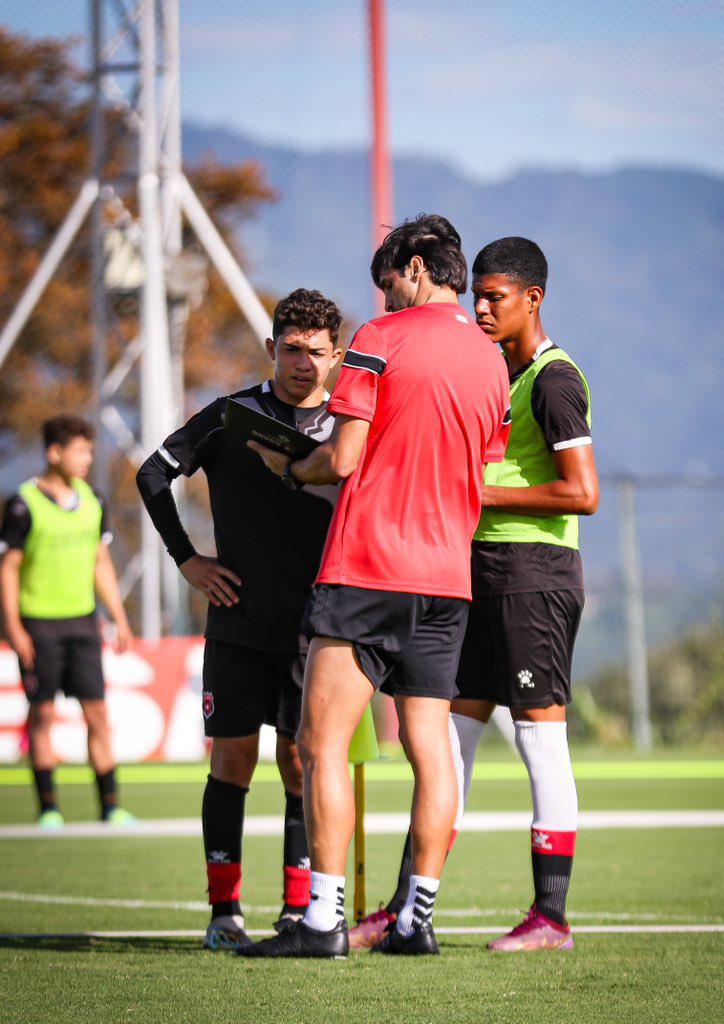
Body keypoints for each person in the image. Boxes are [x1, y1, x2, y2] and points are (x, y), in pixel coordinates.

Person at [238, 214, 510, 959]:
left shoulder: (382, 338)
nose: (385, 300)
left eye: (388, 284)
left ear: (415, 268)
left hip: (365, 571)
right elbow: (479, 470)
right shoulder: (493, 359)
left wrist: (290, 466)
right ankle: (416, 919)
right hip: (446, 581)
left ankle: (323, 923)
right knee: (434, 752)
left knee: (319, 745)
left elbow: (344, 457)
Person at [350, 236, 598, 953]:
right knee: (446, 749)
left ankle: (550, 917)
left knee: (539, 742)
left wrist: (471, 488)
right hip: (474, 576)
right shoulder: (493, 372)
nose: (480, 308)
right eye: (477, 295)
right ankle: (405, 909)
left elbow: (583, 494)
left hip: (534, 580)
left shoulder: (554, 380)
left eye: (495, 297)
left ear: (533, 299)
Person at [136, 288, 343, 951]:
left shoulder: (349, 427)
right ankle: (224, 913)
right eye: (291, 349)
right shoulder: (234, 416)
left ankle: (295, 911)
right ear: (271, 349)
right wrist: (187, 559)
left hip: (318, 630)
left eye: (316, 351)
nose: (303, 362)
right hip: (237, 623)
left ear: (336, 354)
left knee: (302, 765)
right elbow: (151, 475)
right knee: (232, 763)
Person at [0, 415, 135, 828]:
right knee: (40, 715)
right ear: (54, 452)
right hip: (38, 624)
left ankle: (110, 806)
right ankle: (48, 808)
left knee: (97, 713)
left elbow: (100, 563)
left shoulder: (94, 500)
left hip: (83, 624)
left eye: (90, 451)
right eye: (80, 450)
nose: (87, 459)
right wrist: (15, 629)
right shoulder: (23, 504)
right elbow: (8, 569)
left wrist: (119, 618)